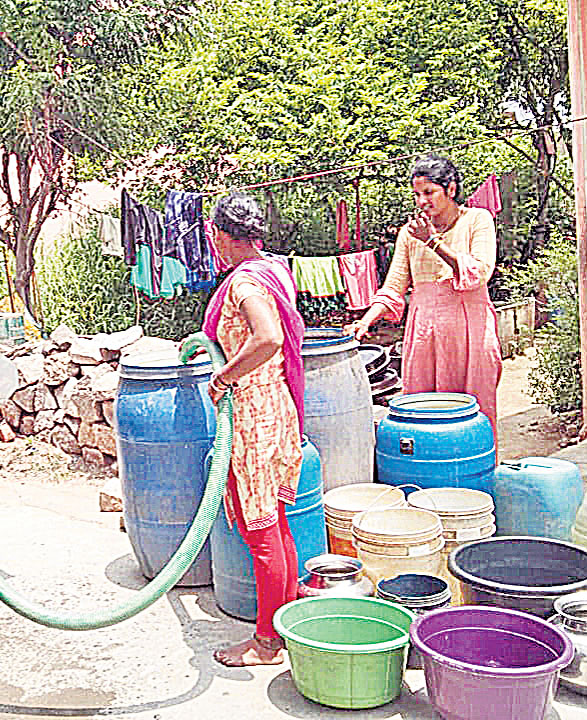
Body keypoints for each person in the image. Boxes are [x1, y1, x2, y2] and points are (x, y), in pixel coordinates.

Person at [201, 193, 306, 666]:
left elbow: (268, 338)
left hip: (254, 414)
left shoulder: (245, 284)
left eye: (215, 236)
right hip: (277, 406)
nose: (214, 244)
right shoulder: (274, 268)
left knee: (260, 532)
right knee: (277, 524)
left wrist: (224, 377)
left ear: (225, 237)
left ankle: (265, 644)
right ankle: (285, 625)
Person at [345, 154, 504, 435]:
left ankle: (476, 475)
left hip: (471, 330)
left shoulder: (478, 220)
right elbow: (394, 286)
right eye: (417, 194)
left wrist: (432, 242)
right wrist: (365, 321)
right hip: (424, 333)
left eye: (429, 192)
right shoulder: (410, 233)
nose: (422, 201)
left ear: (451, 189)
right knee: (423, 411)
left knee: (474, 410)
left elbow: (479, 272)